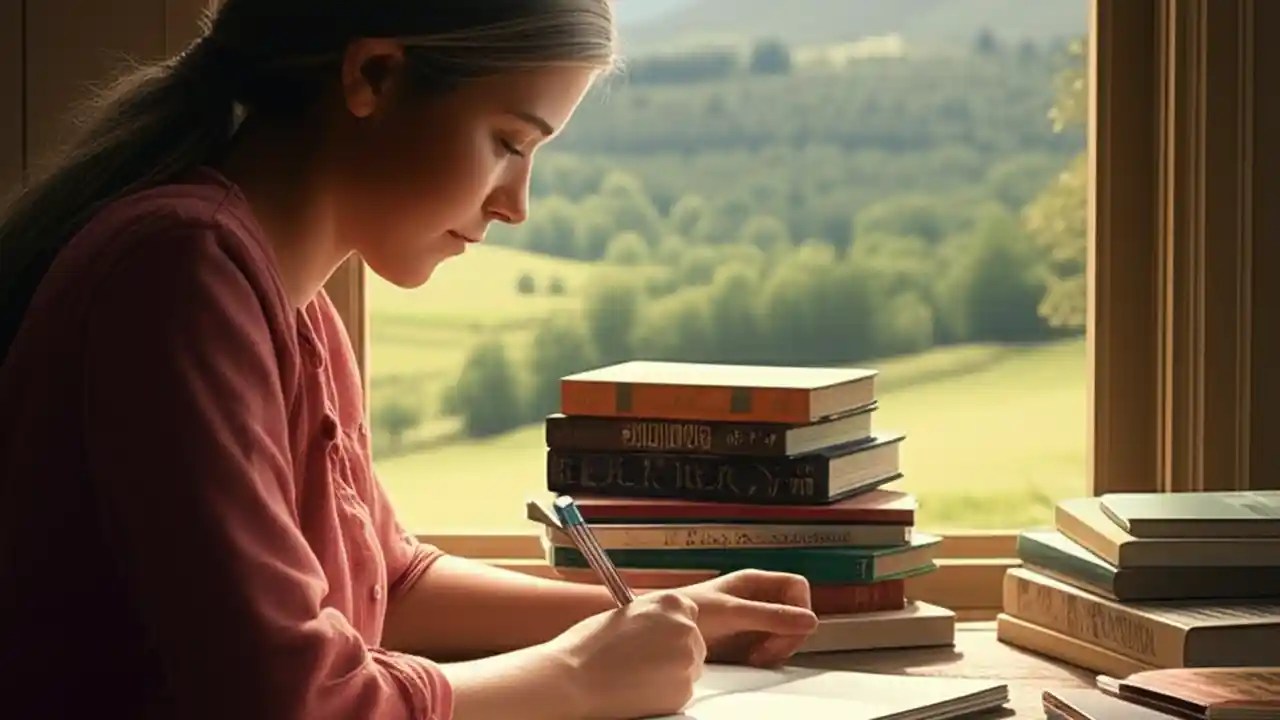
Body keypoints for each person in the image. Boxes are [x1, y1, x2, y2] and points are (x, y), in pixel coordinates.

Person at [0, 2, 819, 719]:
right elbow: (291, 701)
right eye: (508, 143)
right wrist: (578, 676)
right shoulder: (181, 274)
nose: (516, 205)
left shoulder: (295, 308)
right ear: (376, 76)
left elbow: (388, 584)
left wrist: (665, 614)